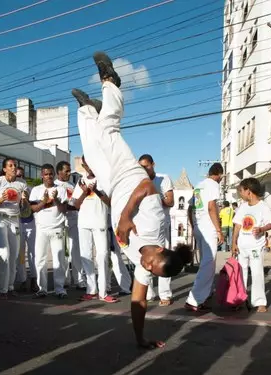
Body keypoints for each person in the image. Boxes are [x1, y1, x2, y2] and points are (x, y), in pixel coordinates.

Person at [72, 51, 192, 349]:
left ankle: (89, 108)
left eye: (149, 269)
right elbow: (145, 187)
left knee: (89, 143)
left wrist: (141, 338)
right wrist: (125, 216)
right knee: (108, 128)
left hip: (112, 183)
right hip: (127, 171)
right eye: (151, 263)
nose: (146, 266)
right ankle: (111, 83)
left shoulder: (147, 263)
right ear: (161, 249)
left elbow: (138, 302)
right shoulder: (153, 228)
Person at [73, 156, 117, 303]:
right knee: (86, 256)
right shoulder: (80, 181)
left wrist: (96, 190)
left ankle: (103, 292)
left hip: (100, 223)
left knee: (103, 256)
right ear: (84, 165)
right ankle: (91, 290)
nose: (89, 167)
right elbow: (76, 205)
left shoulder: (104, 179)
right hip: (84, 224)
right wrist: (85, 192)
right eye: (86, 164)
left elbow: (110, 202)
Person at [231, 178, 271, 313]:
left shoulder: (263, 207)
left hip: (256, 246)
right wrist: (233, 243)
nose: (240, 194)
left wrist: (261, 229)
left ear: (248, 191)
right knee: (241, 273)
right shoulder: (242, 207)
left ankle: (259, 302)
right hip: (242, 247)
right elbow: (237, 225)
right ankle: (240, 299)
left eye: (241, 191)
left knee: (256, 273)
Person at [185, 162, 225, 311]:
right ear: (220, 174)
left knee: (206, 262)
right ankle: (194, 299)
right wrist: (219, 230)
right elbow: (211, 207)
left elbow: (190, 208)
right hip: (208, 228)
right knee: (208, 263)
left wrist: (193, 225)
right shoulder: (213, 185)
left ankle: (206, 293)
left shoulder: (198, 185)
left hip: (198, 227)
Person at [138, 154, 175, 306]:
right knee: (145, 259)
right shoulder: (139, 182)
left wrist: (156, 195)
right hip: (145, 227)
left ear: (153, 164)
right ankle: (149, 292)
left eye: (146, 166)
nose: (144, 169)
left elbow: (171, 202)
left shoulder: (163, 179)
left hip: (161, 226)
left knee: (163, 259)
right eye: (141, 167)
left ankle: (165, 295)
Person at [0, 158, 28, 299]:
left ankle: (11, 287)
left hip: (15, 220)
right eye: (10, 166)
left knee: (14, 255)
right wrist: (1, 199)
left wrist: (24, 200)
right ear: (4, 169)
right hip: (1, 218)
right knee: (4, 254)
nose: (13, 168)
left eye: (15, 165)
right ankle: (3, 290)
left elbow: (24, 207)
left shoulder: (22, 184)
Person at [30, 164, 69, 298]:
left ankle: (60, 289)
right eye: (46, 174)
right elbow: (33, 209)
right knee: (40, 260)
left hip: (57, 228)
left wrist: (56, 199)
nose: (48, 177)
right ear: (42, 175)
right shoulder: (36, 190)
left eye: (51, 174)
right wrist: (44, 202)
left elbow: (64, 210)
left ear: (54, 175)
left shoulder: (61, 189)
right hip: (41, 229)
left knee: (59, 260)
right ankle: (42, 289)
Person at [55, 161, 84, 289]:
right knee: (64, 252)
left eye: (69, 171)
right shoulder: (54, 186)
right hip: (61, 221)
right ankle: (65, 279)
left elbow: (76, 202)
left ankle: (79, 280)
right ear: (59, 172)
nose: (68, 173)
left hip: (74, 221)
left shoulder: (72, 185)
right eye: (66, 171)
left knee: (75, 251)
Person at [16, 166, 38, 292]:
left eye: (22, 175)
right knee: (20, 255)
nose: (21, 178)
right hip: (18, 224)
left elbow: (34, 207)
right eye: (18, 176)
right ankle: (23, 280)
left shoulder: (30, 189)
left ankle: (34, 279)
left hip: (31, 224)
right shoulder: (12, 190)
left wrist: (26, 198)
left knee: (33, 254)